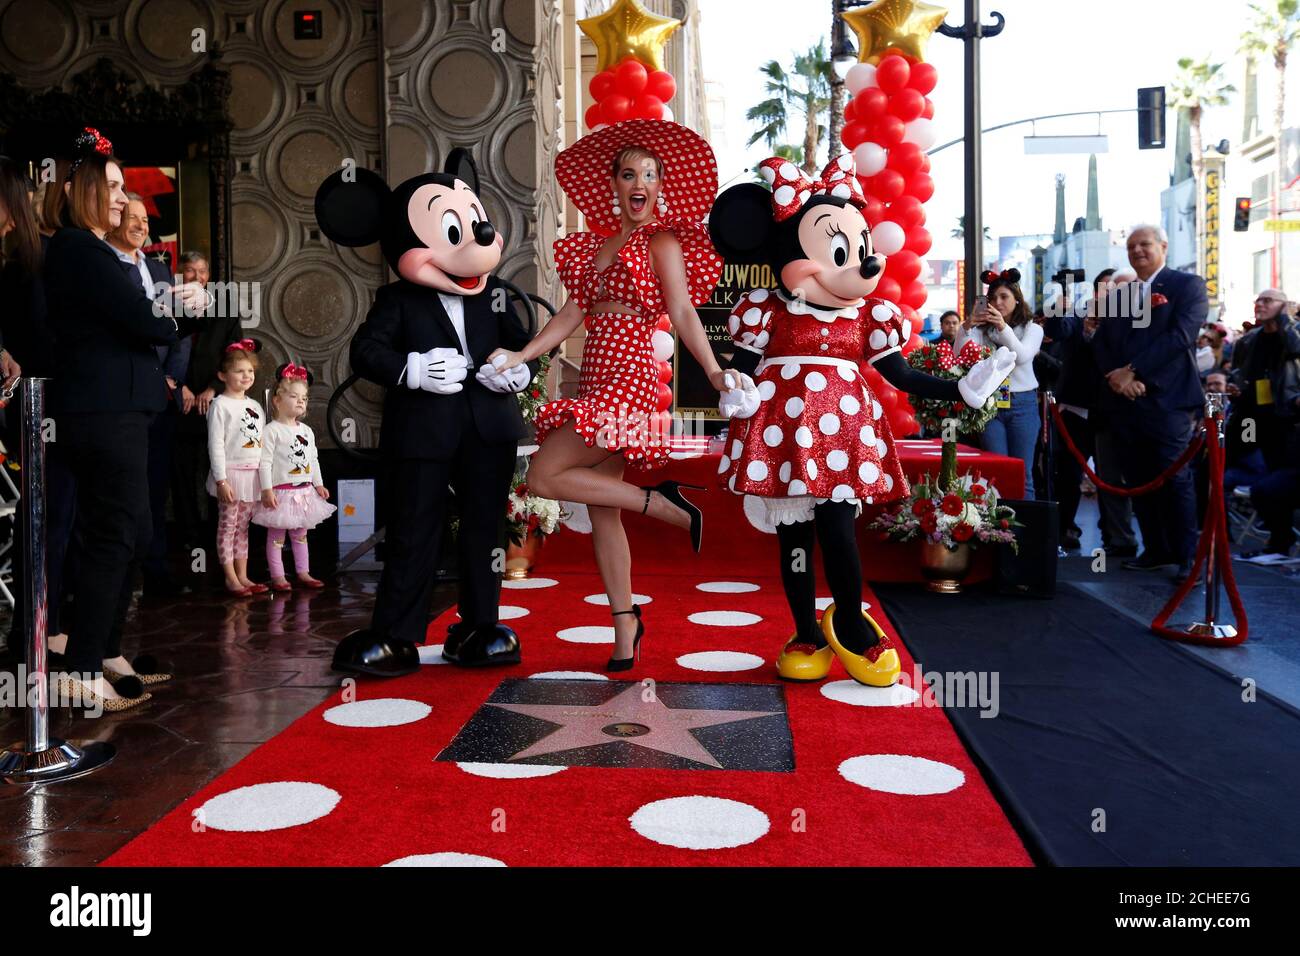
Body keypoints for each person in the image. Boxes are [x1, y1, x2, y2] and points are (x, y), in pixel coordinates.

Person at [707, 154, 1015, 687]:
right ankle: (805, 629)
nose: (864, 264)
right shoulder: (767, 310)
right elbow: (740, 369)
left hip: (844, 437)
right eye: (842, 252)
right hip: (785, 437)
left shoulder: (870, 316)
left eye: (862, 250)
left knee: (838, 531)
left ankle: (848, 618)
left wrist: (959, 390)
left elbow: (898, 374)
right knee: (795, 537)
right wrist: (734, 390)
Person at [489, 120, 733, 671]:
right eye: (629, 174)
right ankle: (626, 631)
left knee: (543, 476)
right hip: (595, 376)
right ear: (614, 185)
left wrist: (715, 373)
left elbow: (684, 311)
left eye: (649, 174)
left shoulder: (663, 240)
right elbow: (573, 314)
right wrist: (523, 355)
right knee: (602, 511)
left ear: (661, 186)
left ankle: (665, 504)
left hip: (630, 382)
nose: (639, 183)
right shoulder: (595, 246)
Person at [315, 150, 538, 676]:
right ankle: (397, 632)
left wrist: (518, 371)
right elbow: (365, 353)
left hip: (488, 430)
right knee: (415, 528)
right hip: (423, 432)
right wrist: (411, 369)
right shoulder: (398, 300)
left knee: (486, 529)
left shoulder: (499, 297)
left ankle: (480, 624)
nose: (478, 238)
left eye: (475, 223)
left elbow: (525, 346)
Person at [43, 127, 207, 710]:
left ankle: (106, 650)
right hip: (101, 412)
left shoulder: (88, 248)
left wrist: (173, 319)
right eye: (112, 186)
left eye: (122, 187)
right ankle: (81, 669)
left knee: (133, 532)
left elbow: (145, 322)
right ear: (83, 187)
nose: (120, 197)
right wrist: (178, 316)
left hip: (124, 411)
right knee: (113, 534)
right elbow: (143, 322)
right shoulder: (77, 248)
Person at [1092, 224, 1207, 579]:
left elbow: (1181, 337)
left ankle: (1187, 556)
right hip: (1125, 401)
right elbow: (1102, 342)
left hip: (1168, 399)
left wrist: (1135, 372)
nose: (1138, 251)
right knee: (1138, 478)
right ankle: (1155, 549)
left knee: (1174, 477)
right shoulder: (1121, 296)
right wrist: (1117, 376)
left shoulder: (1187, 285)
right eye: (1131, 246)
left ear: (1163, 246)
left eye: (1144, 244)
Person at [106, 194, 192, 596]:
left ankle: (155, 573)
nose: (141, 225)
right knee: (118, 494)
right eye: (132, 217)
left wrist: (171, 379)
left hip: (160, 398)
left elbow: (178, 333)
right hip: (118, 398)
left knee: (155, 490)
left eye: (145, 219)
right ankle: (115, 584)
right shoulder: (103, 266)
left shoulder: (160, 270)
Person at [1044, 268, 1139, 555]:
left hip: (1113, 410)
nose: (1108, 294)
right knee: (1068, 476)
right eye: (1104, 289)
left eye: (1116, 290)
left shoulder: (1131, 323)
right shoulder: (1076, 316)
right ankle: (1062, 531)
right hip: (1074, 410)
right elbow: (1057, 329)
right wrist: (1061, 299)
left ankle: (1117, 537)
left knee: (1113, 478)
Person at [172, 249, 240, 554]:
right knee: (182, 473)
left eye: (202, 272)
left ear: (208, 276)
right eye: (190, 271)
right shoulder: (166, 305)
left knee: (218, 471)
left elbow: (234, 353)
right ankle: (189, 537)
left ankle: (218, 538)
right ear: (179, 274)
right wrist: (178, 387)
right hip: (178, 403)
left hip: (216, 404)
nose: (196, 277)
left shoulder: (224, 307)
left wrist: (213, 388)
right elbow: (157, 349)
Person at [956, 268, 1044, 497]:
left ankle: (1022, 531)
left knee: (1023, 474)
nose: (998, 302)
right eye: (993, 298)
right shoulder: (982, 330)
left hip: (1023, 403)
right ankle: (998, 532)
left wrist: (1003, 328)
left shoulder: (1032, 328)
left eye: (1004, 297)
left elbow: (1022, 357)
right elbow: (960, 353)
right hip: (990, 404)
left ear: (1017, 299)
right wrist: (967, 325)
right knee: (996, 472)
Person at [252, 363, 335, 590]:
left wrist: (318, 484)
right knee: (277, 536)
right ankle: (278, 576)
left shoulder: (306, 431)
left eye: (305, 398)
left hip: (304, 492)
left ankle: (303, 572)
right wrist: (267, 489)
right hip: (281, 493)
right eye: (294, 396)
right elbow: (265, 462)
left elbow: (313, 460)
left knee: (300, 535)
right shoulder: (271, 431)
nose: (301, 401)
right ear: (277, 401)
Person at [206, 340, 268, 595]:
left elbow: (262, 444)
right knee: (228, 526)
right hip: (230, 476)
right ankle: (230, 577)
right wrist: (221, 480)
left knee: (243, 528)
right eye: (240, 371)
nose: (246, 376)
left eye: (250, 371)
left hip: (251, 475)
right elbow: (216, 445)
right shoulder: (219, 405)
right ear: (223, 375)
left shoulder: (254, 406)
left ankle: (243, 576)